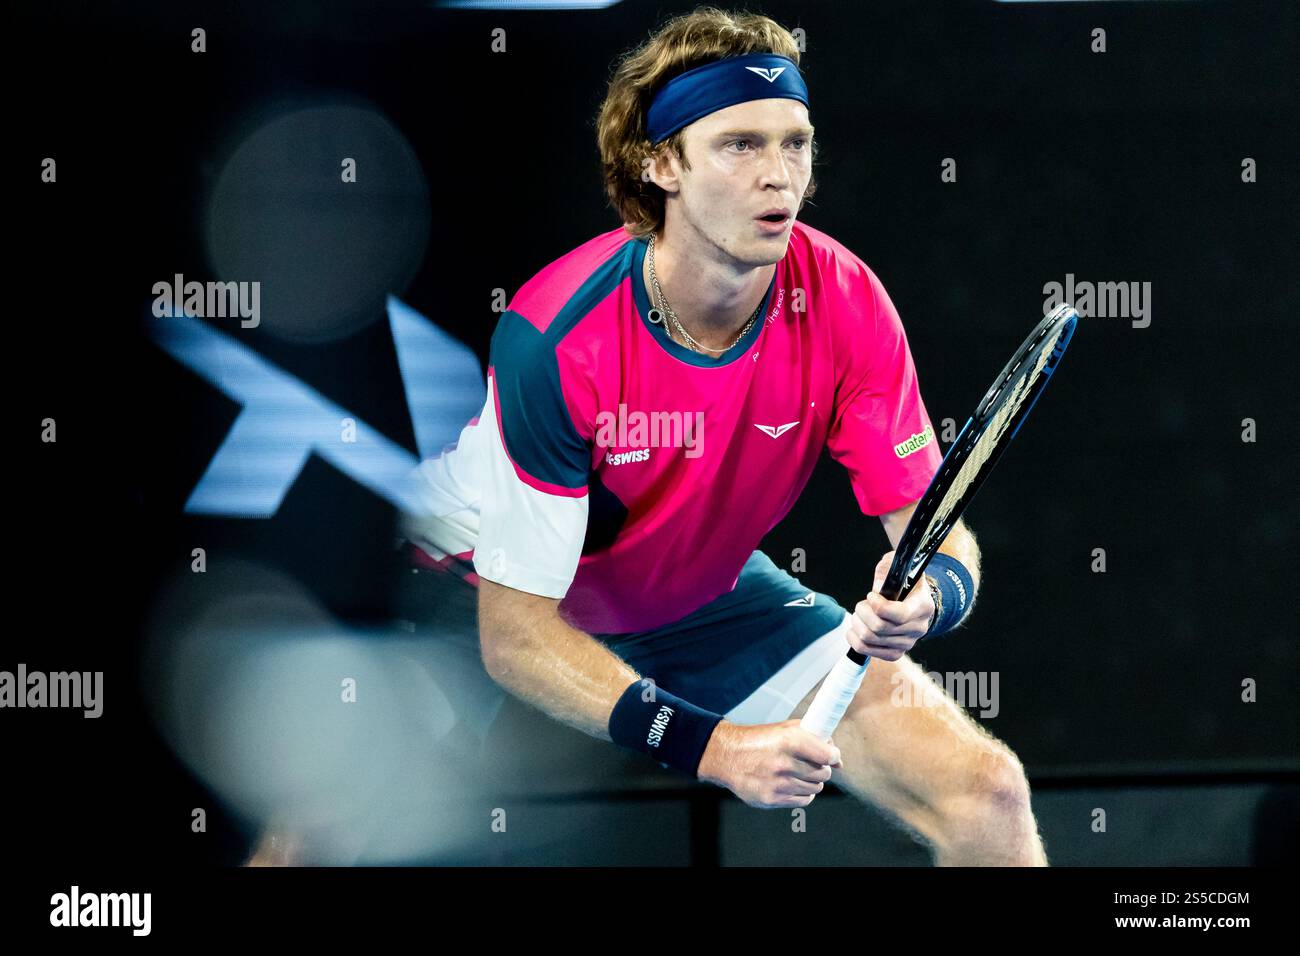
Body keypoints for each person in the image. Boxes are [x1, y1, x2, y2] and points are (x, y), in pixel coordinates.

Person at [274, 6, 1047, 866]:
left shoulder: (846, 301)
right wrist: (717, 749)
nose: (780, 176)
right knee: (313, 840)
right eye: (741, 145)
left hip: (693, 599)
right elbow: (515, 635)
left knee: (987, 794)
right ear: (660, 164)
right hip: (476, 592)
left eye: (796, 142)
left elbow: (939, 535)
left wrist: (935, 595)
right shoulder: (559, 338)